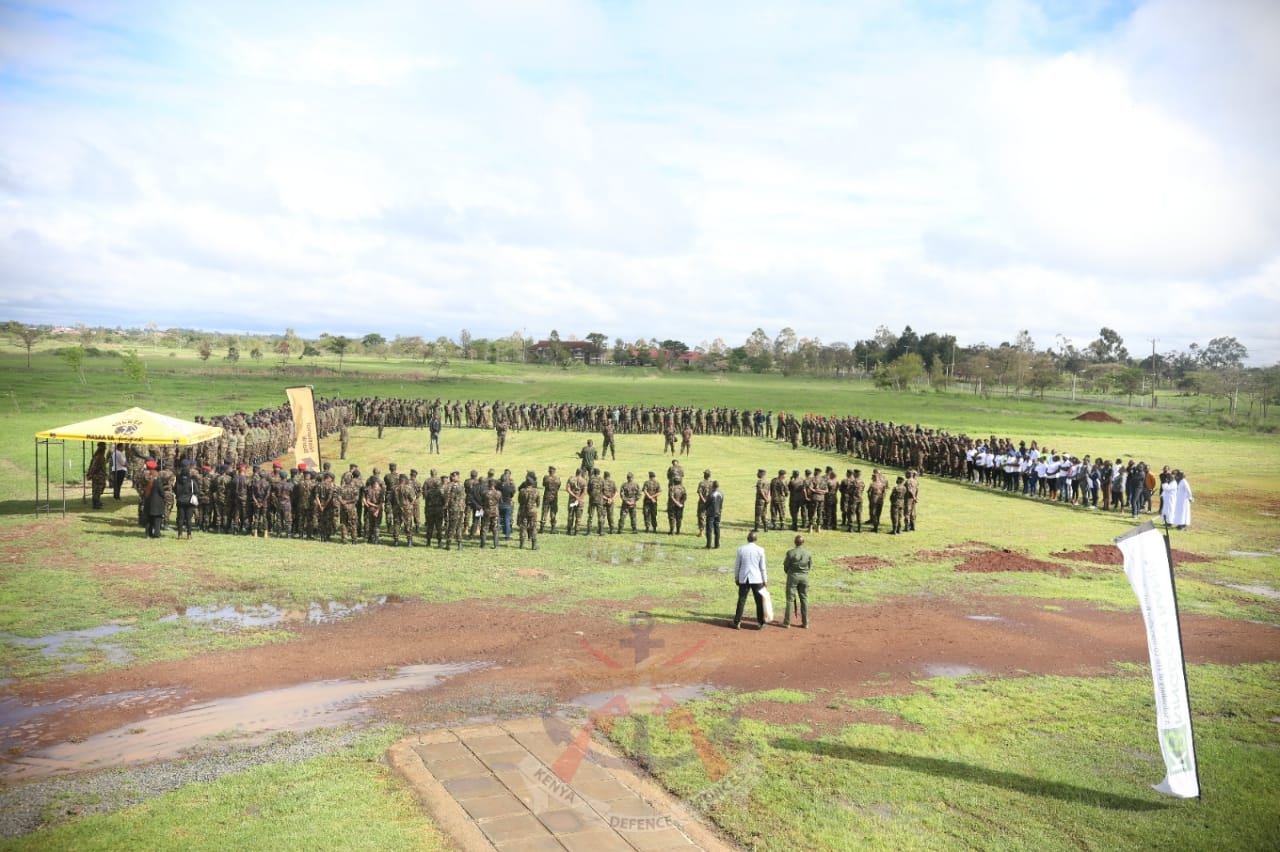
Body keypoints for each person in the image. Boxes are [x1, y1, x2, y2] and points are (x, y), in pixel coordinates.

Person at [732, 530, 769, 630]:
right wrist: (765, 579)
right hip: (756, 578)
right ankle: (761, 622)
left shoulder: (741, 549)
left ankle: (737, 621)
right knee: (758, 601)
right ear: (756, 539)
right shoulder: (760, 550)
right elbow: (762, 567)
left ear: (747, 539)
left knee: (742, 599)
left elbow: (737, 565)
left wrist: (736, 577)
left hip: (744, 578)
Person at [782, 534, 812, 628]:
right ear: (803, 542)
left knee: (790, 599)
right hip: (804, 577)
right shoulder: (808, 553)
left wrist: (790, 573)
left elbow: (786, 566)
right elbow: (810, 566)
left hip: (793, 577)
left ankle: (787, 622)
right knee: (804, 599)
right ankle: (805, 622)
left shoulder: (790, 553)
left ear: (795, 542)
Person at [173, 460, 198, 539]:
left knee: (180, 519)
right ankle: (189, 534)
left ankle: (180, 534)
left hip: (180, 501)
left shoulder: (178, 481)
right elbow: (197, 491)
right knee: (188, 519)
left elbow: (175, 489)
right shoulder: (191, 481)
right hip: (189, 501)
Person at [87, 441, 109, 509]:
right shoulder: (98, 456)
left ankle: (97, 502)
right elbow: (95, 467)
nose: (105, 449)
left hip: (99, 475)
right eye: (104, 447)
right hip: (98, 476)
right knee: (97, 490)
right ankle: (96, 504)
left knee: (98, 489)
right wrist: (91, 474)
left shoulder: (98, 455)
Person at [705, 480, 724, 549]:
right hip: (718, 513)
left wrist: (705, 509)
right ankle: (717, 544)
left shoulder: (711, 494)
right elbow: (721, 503)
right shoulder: (721, 493)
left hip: (710, 514)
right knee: (717, 529)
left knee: (709, 530)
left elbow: (707, 504)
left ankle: (709, 545)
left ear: (713, 486)